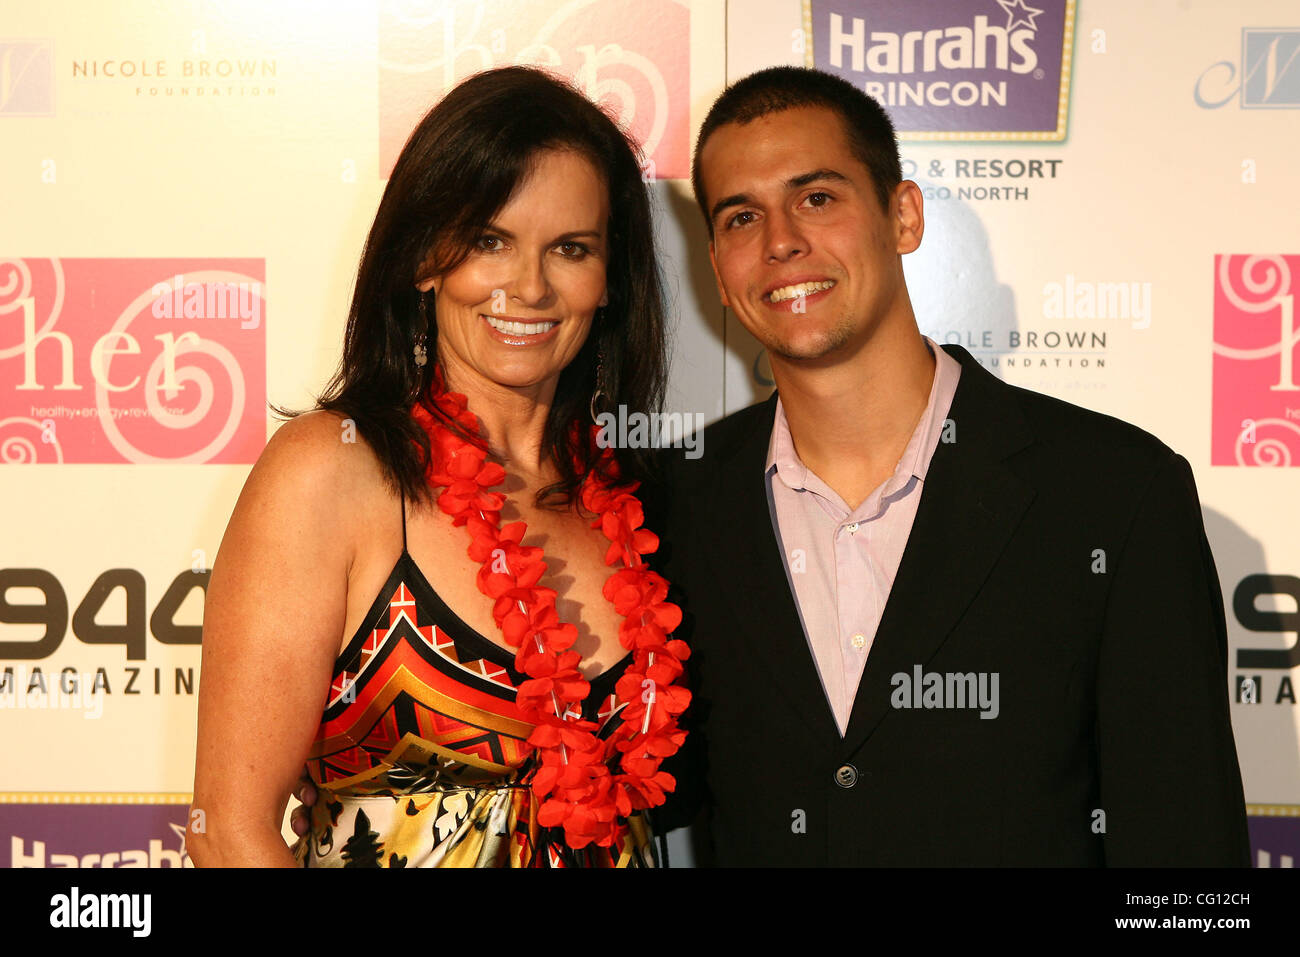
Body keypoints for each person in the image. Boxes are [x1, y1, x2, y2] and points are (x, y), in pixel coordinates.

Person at [650, 65, 1251, 865]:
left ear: (903, 216)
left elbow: (1188, 869)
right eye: (740, 217)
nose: (781, 240)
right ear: (719, 271)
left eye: (817, 197)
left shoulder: (1116, 494)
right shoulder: (674, 503)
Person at [187, 66, 689, 868]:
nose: (528, 286)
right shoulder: (334, 473)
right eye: (491, 240)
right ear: (425, 258)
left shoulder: (636, 500)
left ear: (608, 283)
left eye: (570, 248)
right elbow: (229, 834)